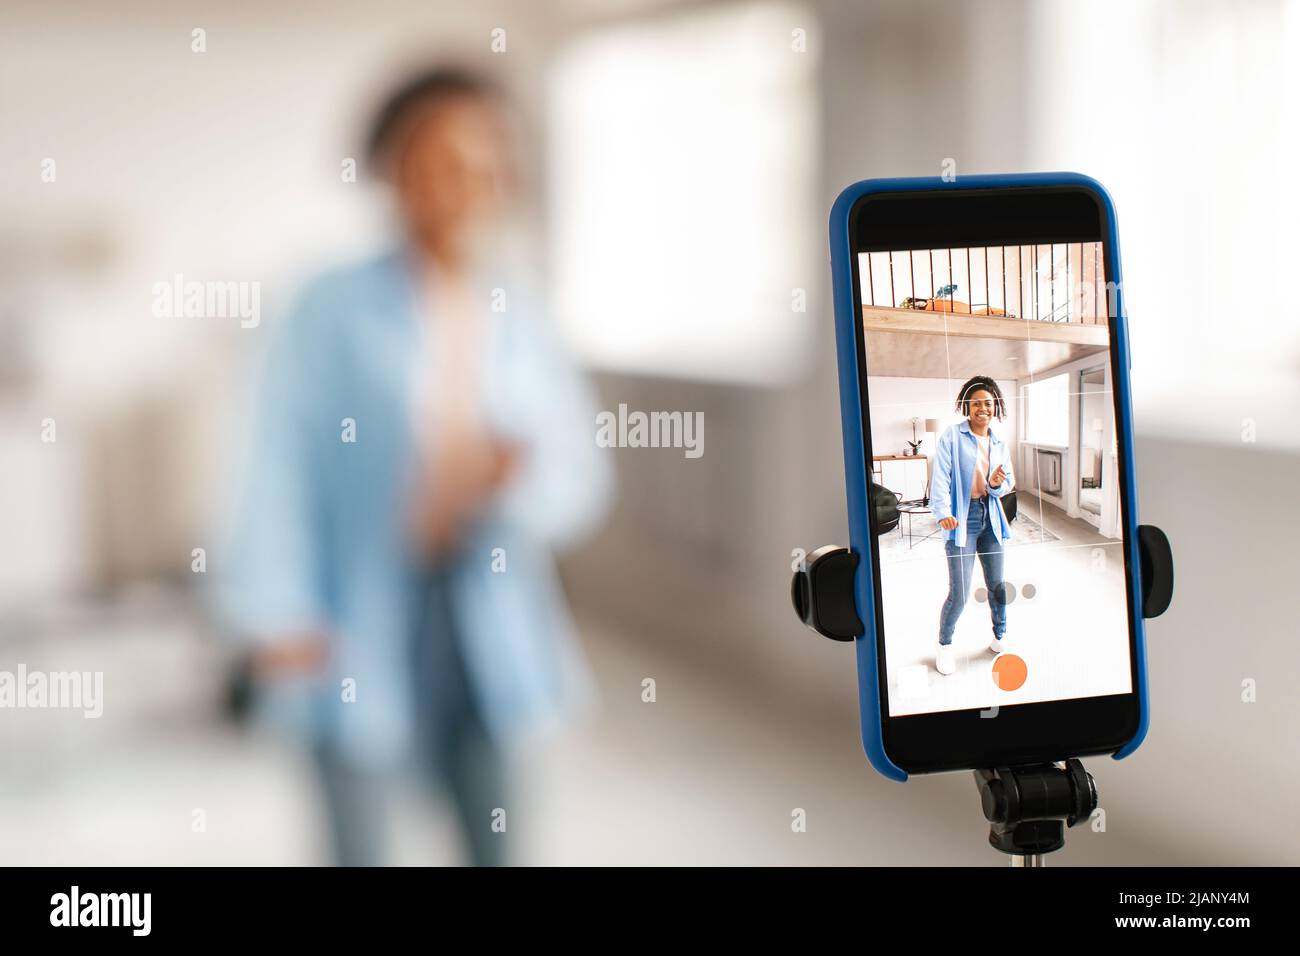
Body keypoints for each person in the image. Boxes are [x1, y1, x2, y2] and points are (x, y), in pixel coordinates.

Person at [216, 66, 612, 865]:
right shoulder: (327, 308)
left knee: (497, 835)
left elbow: (577, 482)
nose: (457, 184)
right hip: (353, 617)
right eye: (433, 159)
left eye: (479, 161)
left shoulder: (520, 312)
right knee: (358, 839)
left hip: (482, 623)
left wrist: (512, 483)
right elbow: (273, 468)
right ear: (390, 169)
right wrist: (276, 609)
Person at [928, 375, 1014, 676]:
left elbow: (1008, 482)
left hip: (991, 519)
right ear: (968, 406)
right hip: (962, 520)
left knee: (997, 586)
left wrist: (994, 485)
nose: (982, 408)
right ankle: (945, 645)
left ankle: (999, 636)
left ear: (995, 408)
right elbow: (940, 478)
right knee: (960, 592)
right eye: (977, 403)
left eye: (988, 403)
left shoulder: (1000, 442)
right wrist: (942, 512)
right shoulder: (952, 436)